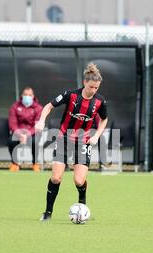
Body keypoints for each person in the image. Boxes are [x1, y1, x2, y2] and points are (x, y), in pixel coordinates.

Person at [35, 63, 108, 221]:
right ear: (84, 83)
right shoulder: (71, 95)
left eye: (97, 88)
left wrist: (96, 136)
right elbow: (49, 106)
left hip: (83, 142)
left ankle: (82, 205)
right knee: (56, 178)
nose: (94, 90)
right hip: (64, 139)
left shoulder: (100, 102)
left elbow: (104, 119)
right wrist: (41, 120)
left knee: (79, 180)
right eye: (91, 87)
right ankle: (48, 212)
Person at [8, 87, 43, 172]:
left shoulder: (38, 108)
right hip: (18, 133)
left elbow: (37, 125)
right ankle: (15, 163)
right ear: (22, 95)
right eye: (25, 95)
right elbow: (12, 123)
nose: (27, 96)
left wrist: (26, 135)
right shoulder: (14, 106)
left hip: (32, 133)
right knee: (11, 141)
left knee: (35, 142)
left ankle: (35, 164)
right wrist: (20, 134)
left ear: (33, 96)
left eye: (29, 95)